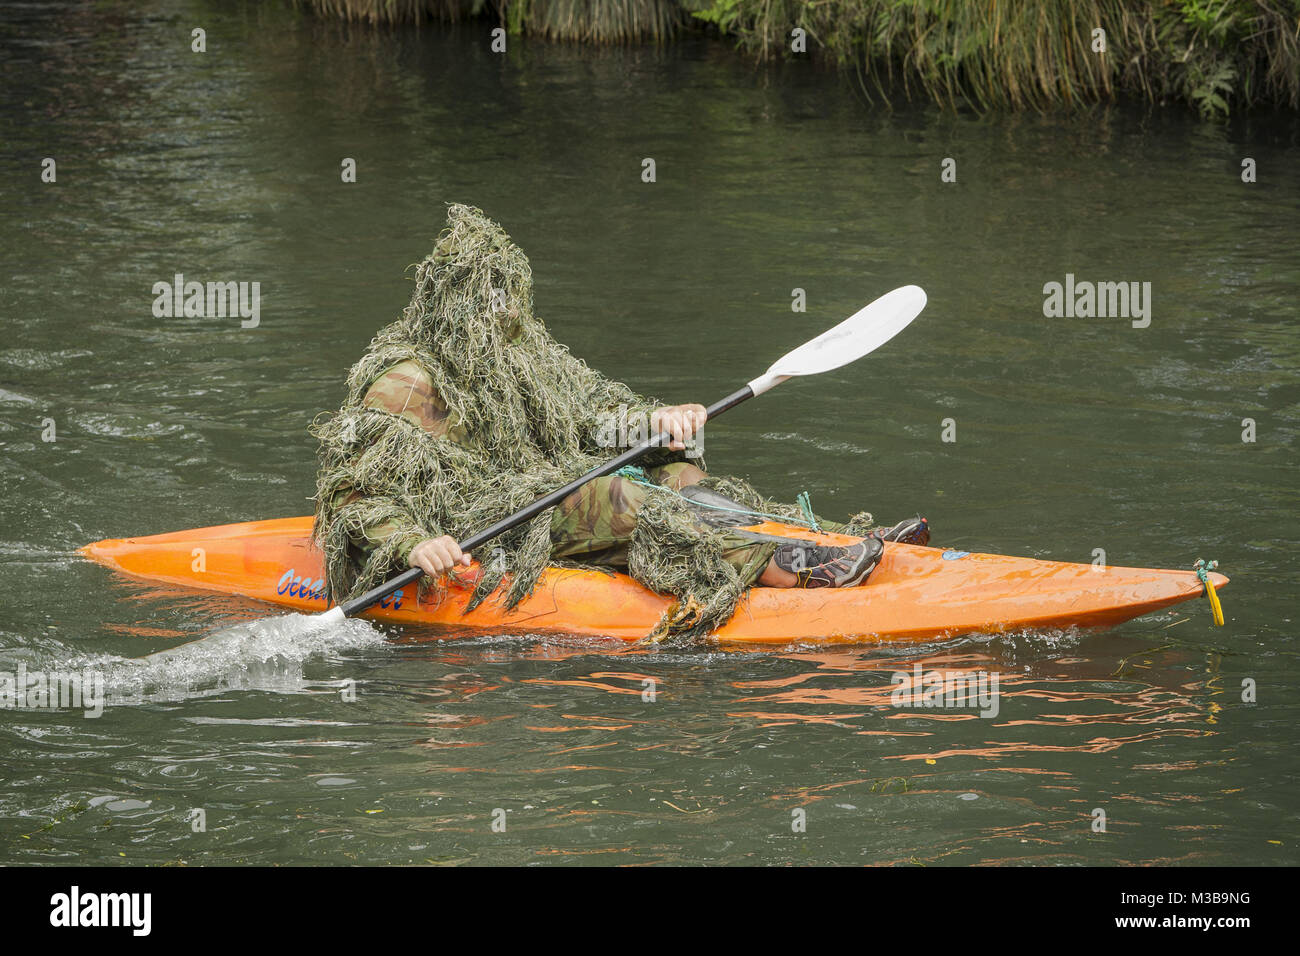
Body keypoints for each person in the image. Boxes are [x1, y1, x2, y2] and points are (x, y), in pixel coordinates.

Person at [312, 205, 928, 640]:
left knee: (675, 463)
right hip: (476, 520)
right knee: (613, 494)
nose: (505, 318)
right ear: (454, 307)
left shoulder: (522, 355)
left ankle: (810, 536)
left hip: (538, 487)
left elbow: (588, 423)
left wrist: (656, 425)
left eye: (509, 303)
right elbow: (356, 487)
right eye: (489, 304)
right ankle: (784, 567)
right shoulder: (408, 381)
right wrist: (412, 544)